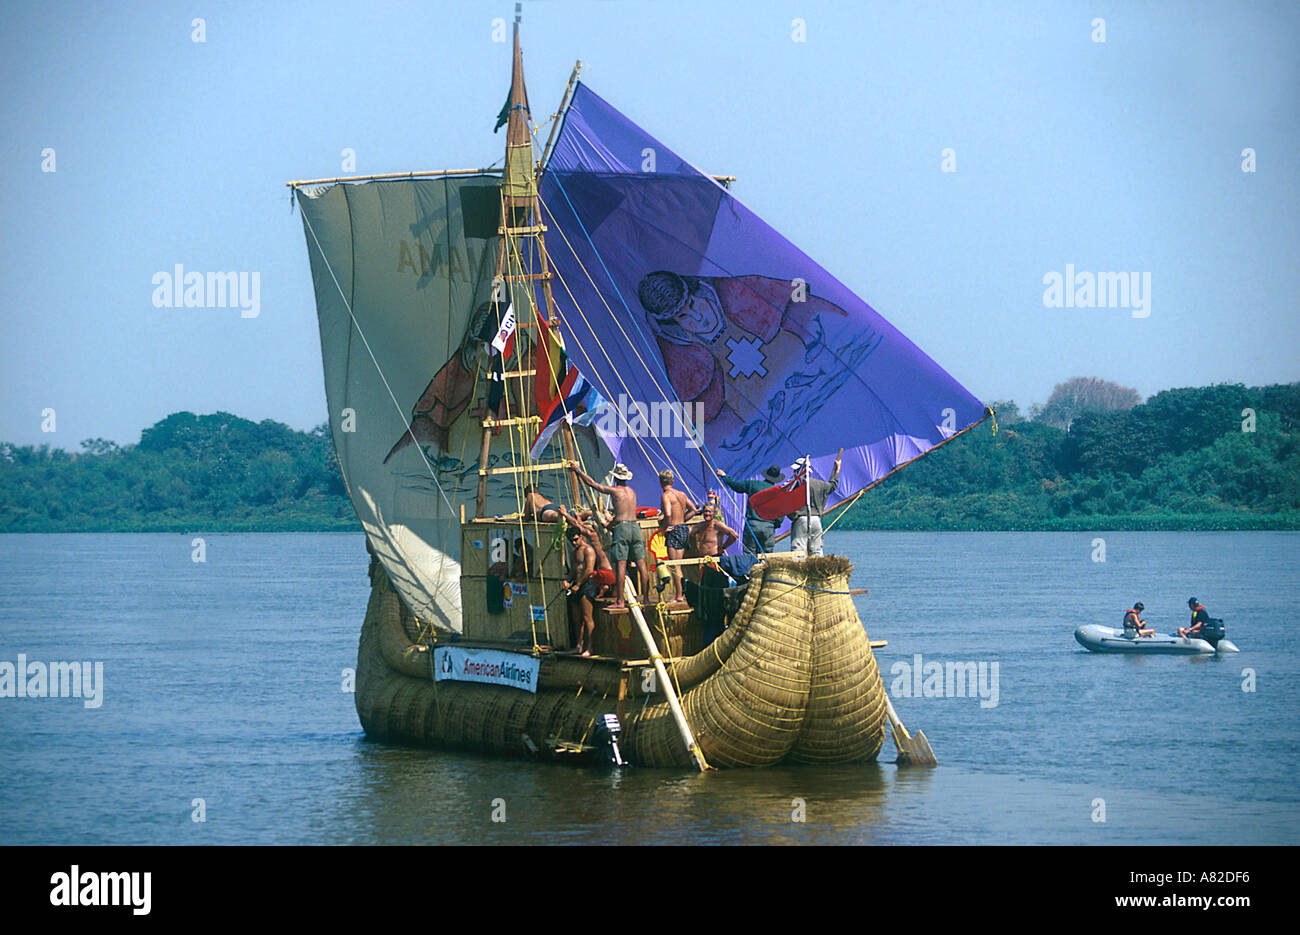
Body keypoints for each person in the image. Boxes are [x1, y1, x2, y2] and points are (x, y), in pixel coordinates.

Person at [568, 461, 647, 611]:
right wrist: (608, 525)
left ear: (616, 478)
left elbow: (594, 484)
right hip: (634, 526)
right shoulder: (632, 492)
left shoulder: (615, 491)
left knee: (621, 564)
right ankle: (647, 598)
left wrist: (578, 471)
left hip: (622, 527)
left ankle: (620, 600)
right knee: (641, 563)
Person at [715, 465, 783, 554]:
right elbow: (781, 512)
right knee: (766, 556)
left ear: (766, 475)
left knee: (749, 556)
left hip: (753, 524)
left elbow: (736, 486)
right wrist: (775, 525)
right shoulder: (778, 492)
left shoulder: (753, 484)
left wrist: (724, 476)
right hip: (769, 527)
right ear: (777, 478)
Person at [786, 449, 842, 557]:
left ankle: (798, 570)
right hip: (816, 519)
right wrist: (838, 469)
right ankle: (818, 570)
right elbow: (832, 485)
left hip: (801, 519)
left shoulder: (793, 485)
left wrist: (791, 516)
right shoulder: (819, 484)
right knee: (817, 550)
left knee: (798, 549)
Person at [657, 469, 699, 604]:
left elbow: (668, 514)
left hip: (674, 530)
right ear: (673, 481)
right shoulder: (681, 494)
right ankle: (680, 594)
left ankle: (679, 596)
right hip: (683, 529)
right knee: (678, 565)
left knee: (675, 566)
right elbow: (694, 510)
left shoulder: (666, 496)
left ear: (660, 482)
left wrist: (664, 527)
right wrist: (682, 521)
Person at [563, 527, 597, 656]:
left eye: (576, 540)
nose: (574, 543)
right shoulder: (573, 553)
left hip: (587, 585)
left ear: (581, 537)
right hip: (576, 585)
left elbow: (589, 570)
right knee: (577, 618)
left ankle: (590, 647)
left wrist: (578, 585)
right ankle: (579, 645)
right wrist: (567, 580)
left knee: (588, 617)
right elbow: (573, 571)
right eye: (571, 541)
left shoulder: (588, 550)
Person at [521, 485, 588, 532]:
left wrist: (523, 517)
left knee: (555, 516)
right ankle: (587, 513)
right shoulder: (541, 497)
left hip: (544, 511)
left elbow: (527, 517)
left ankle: (561, 517)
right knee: (572, 514)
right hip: (553, 506)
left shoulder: (530, 495)